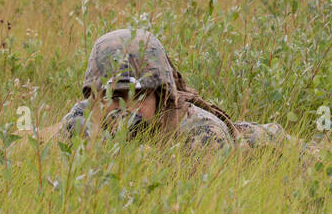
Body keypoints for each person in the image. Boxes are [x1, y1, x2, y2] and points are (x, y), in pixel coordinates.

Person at [43, 29, 291, 149]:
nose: (128, 110)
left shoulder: (203, 135)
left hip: (271, 150)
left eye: (139, 97)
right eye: (114, 97)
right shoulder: (81, 121)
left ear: (161, 96)